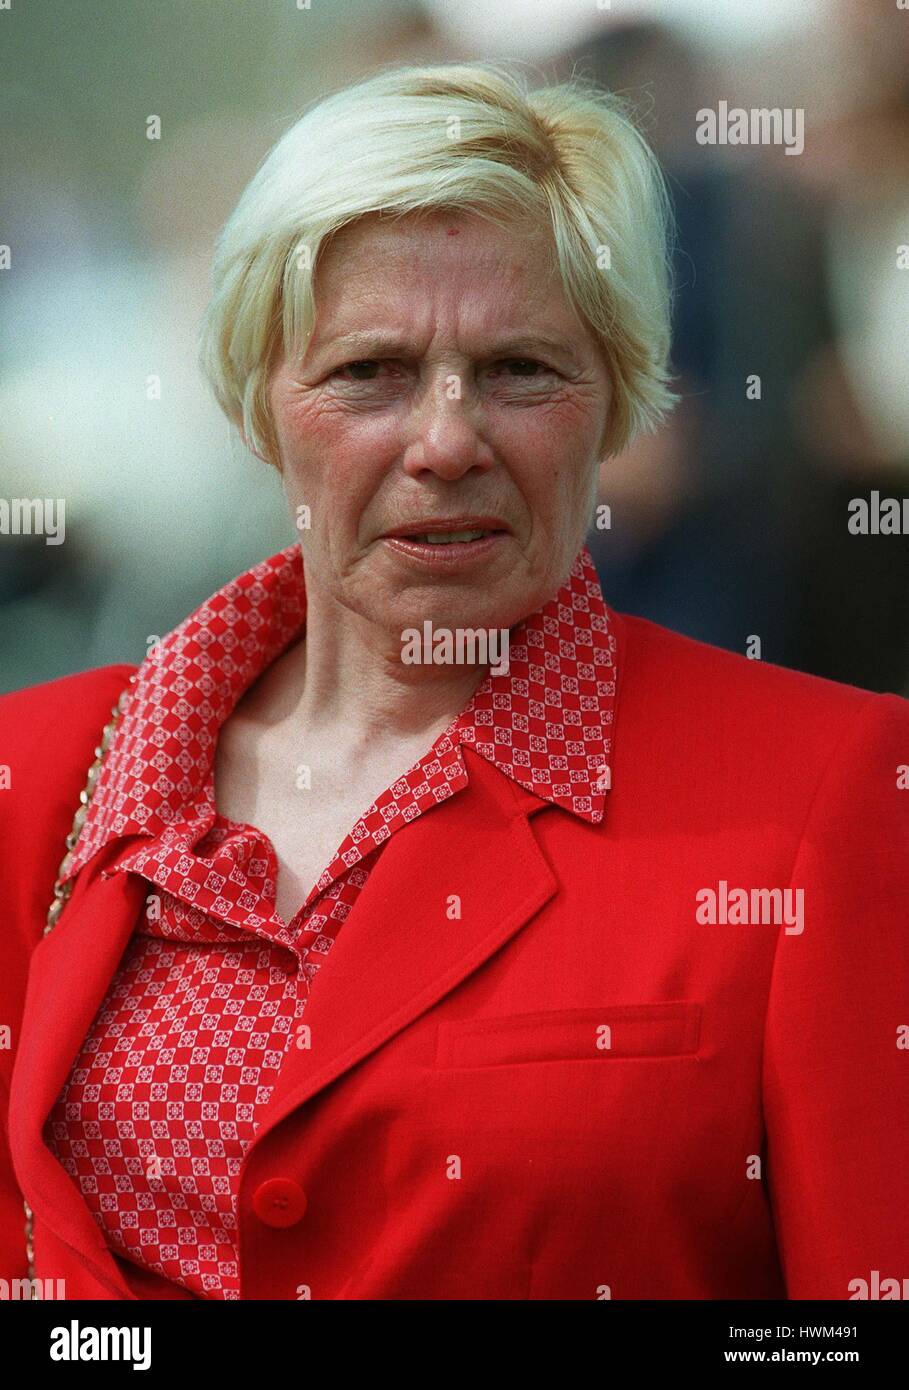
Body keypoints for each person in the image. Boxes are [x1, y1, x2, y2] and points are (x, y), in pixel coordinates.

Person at [1, 62, 906, 1302]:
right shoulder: (39, 777)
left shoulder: (827, 792)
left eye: (521, 370)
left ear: (619, 400)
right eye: (368, 372)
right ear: (262, 402)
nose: (445, 442)